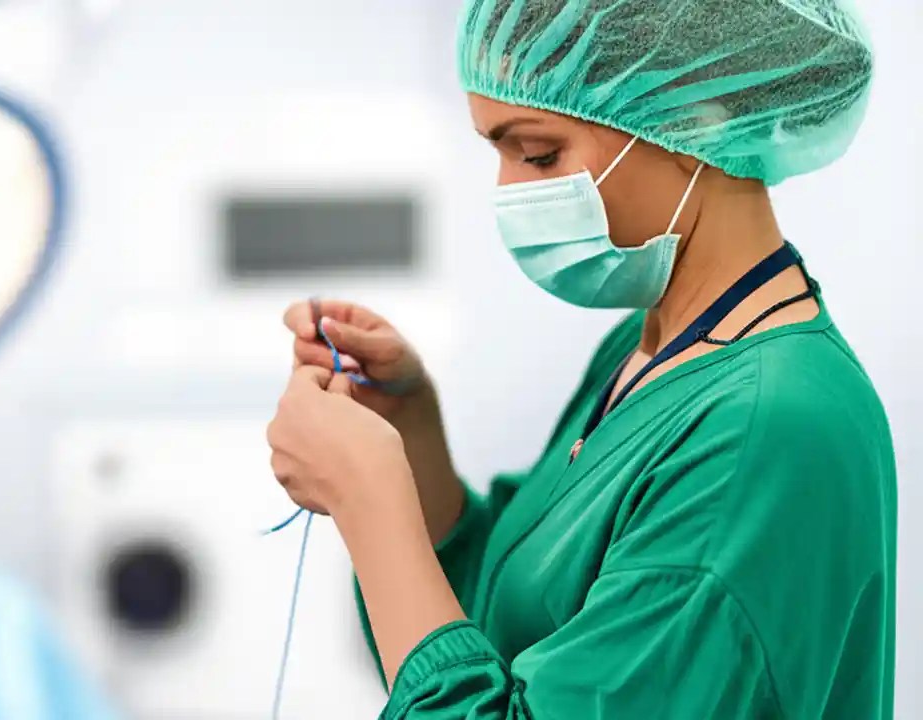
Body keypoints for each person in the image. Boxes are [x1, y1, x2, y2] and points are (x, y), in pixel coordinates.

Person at [264, 1, 896, 718]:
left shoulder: (764, 430)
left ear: (695, 119)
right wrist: (408, 432)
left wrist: (368, 501)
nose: (509, 192)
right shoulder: (650, 346)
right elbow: (504, 627)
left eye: (539, 154)